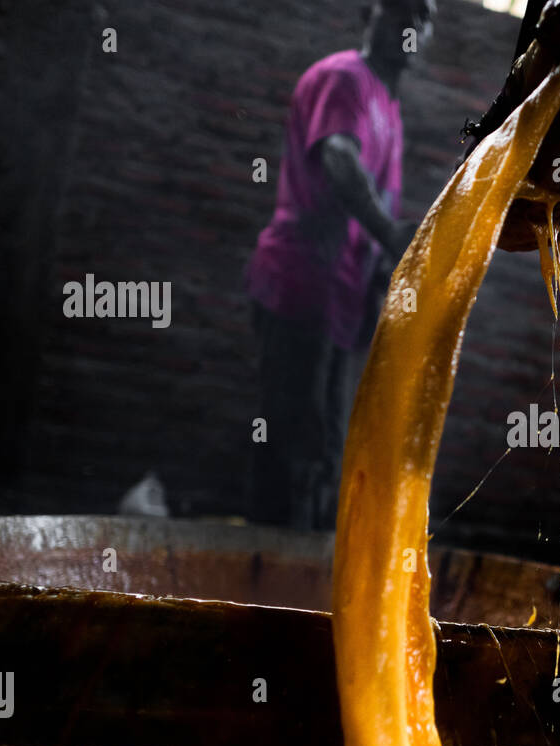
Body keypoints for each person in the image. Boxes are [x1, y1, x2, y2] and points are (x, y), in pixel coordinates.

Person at [246, 0, 436, 530]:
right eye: (402, 11)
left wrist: (383, 276)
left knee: (328, 447)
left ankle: (302, 587)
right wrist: (391, 235)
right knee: (293, 441)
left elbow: (377, 210)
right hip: (301, 287)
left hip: (342, 303)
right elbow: (338, 159)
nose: (412, 25)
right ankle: (266, 591)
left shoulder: (389, 108)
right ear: (369, 15)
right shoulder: (344, 78)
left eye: (425, 17)